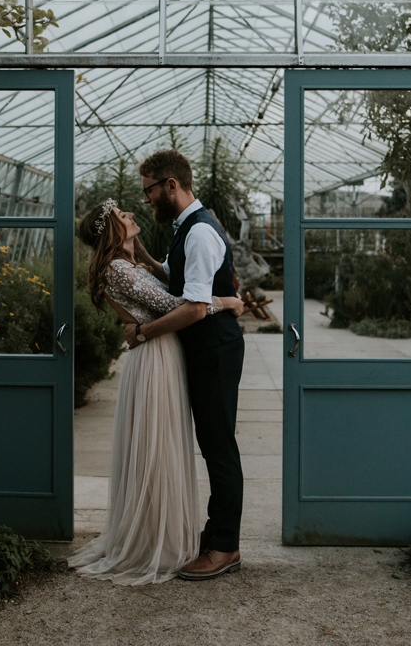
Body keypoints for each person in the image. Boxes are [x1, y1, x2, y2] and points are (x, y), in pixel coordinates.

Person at [68, 199, 244, 585]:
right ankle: (160, 541)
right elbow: (178, 304)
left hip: (163, 353)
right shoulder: (119, 268)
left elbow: (165, 291)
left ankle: (186, 539)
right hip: (155, 359)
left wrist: (144, 260)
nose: (133, 213)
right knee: (157, 447)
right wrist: (228, 300)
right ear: (113, 230)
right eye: (122, 216)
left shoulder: (128, 264)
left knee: (176, 445)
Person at [127, 149, 247, 581]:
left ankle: (224, 547)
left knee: (218, 447)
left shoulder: (198, 233)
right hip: (207, 347)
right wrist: (141, 253)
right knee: (214, 442)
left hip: (213, 348)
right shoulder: (187, 228)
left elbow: (195, 308)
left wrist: (143, 333)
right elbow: (180, 282)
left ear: (171, 186)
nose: (147, 200)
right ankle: (217, 537)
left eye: (149, 191)